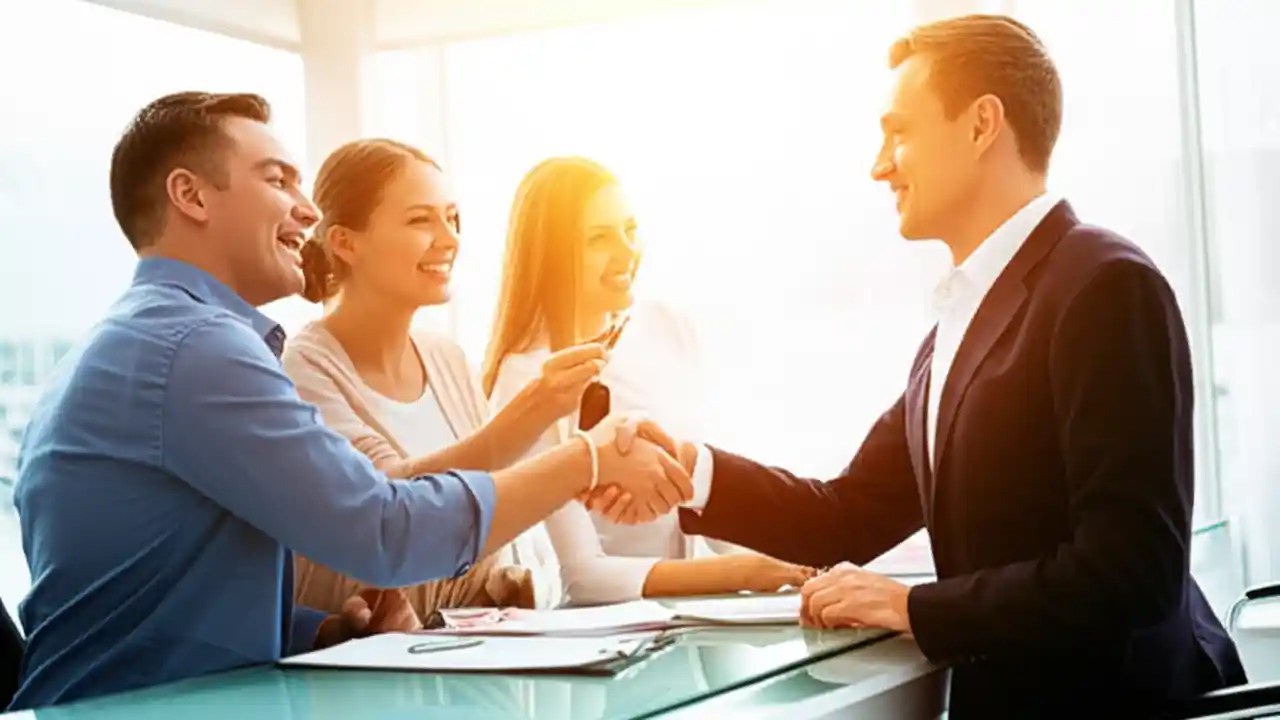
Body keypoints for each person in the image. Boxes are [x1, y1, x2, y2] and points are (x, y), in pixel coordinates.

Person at [610, 15, 1246, 717]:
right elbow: (846, 516)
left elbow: (1131, 570)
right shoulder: (958, 324)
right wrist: (691, 470)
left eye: (900, 132)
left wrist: (914, 605)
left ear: (981, 126)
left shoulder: (1104, 285)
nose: (879, 164)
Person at [10, 92, 689, 710]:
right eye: (277, 180)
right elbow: (383, 530)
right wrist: (584, 463)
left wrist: (323, 629)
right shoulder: (195, 348)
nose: (306, 209)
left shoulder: (149, 339)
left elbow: (158, 597)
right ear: (190, 196)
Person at [485, 157, 813, 605]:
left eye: (630, 229)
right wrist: (741, 573)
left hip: (694, 622)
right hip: (606, 635)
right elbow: (580, 576)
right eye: (599, 238)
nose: (626, 252)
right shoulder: (527, 379)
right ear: (551, 254)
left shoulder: (667, 327)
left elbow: (710, 498)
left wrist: (786, 569)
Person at [284, 138, 584, 613]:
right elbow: (392, 508)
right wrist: (538, 412)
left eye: (453, 218)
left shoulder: (447, 359)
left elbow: (501, 524)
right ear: (344, 242)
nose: (449, 239)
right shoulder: (305, 371)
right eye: (421, 220)